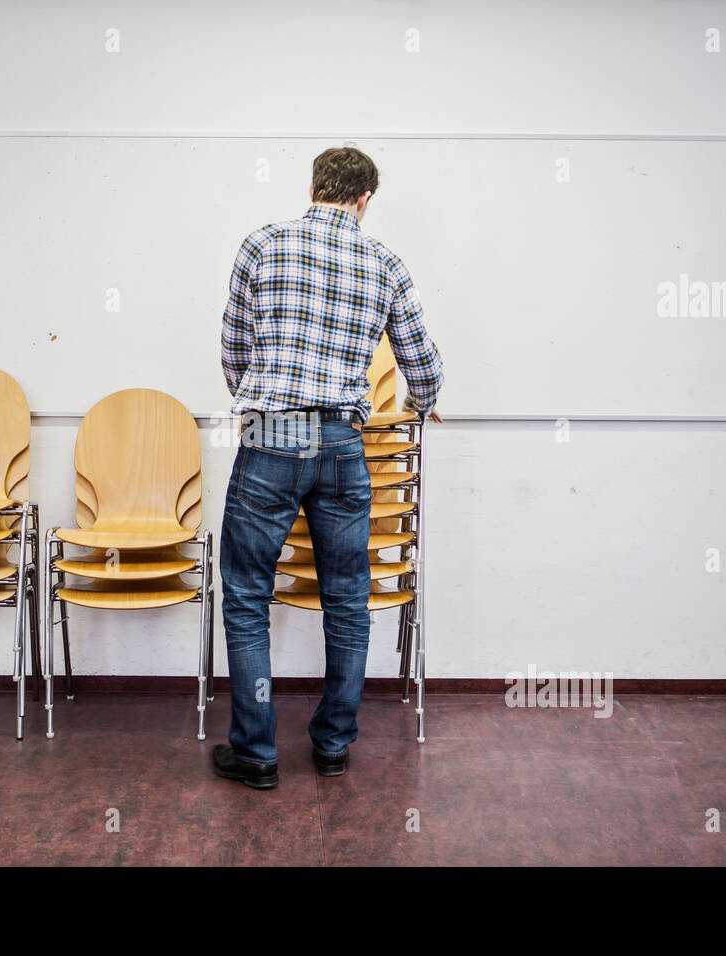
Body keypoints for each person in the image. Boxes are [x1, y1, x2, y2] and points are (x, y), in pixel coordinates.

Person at [213, 146, 444, 789]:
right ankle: (334, 745)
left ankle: (256, 754)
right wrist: (427, 403)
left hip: (270, 432)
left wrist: (257, 404)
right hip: (343, 439)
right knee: (348, 598)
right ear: (364, 199)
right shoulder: (385, 262)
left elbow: (234, 345)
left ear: (314, 186)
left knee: (248, 596)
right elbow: (421, 364)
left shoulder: (262, 243)